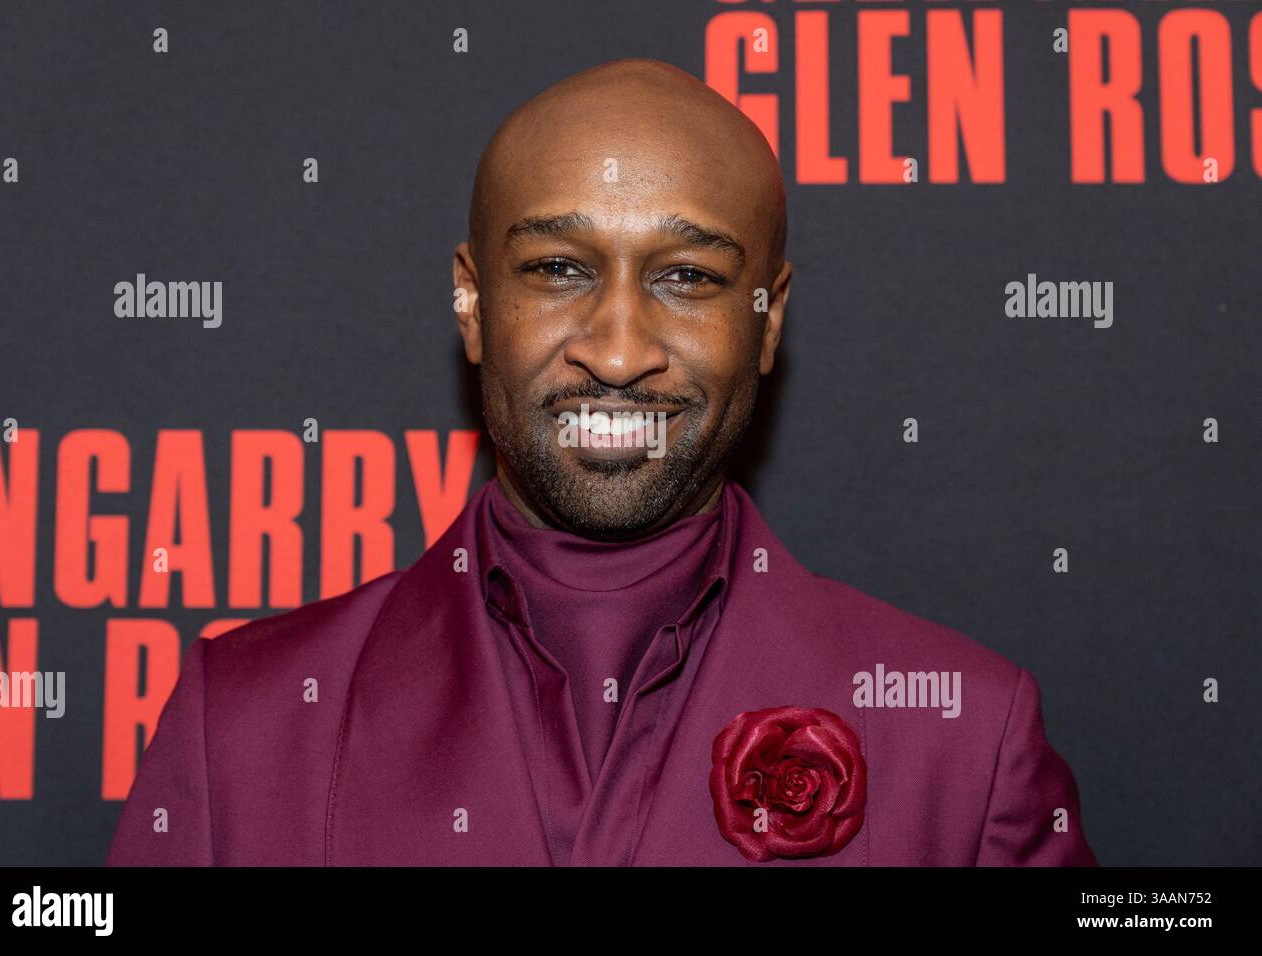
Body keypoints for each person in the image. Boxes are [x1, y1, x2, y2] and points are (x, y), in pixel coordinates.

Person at [108, 58, 1097, 866]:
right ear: (471, 302)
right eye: (558, 269)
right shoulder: (243, 724)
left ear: (767, 318)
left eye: (686, 278)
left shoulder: (965, 740)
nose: (618, 349)